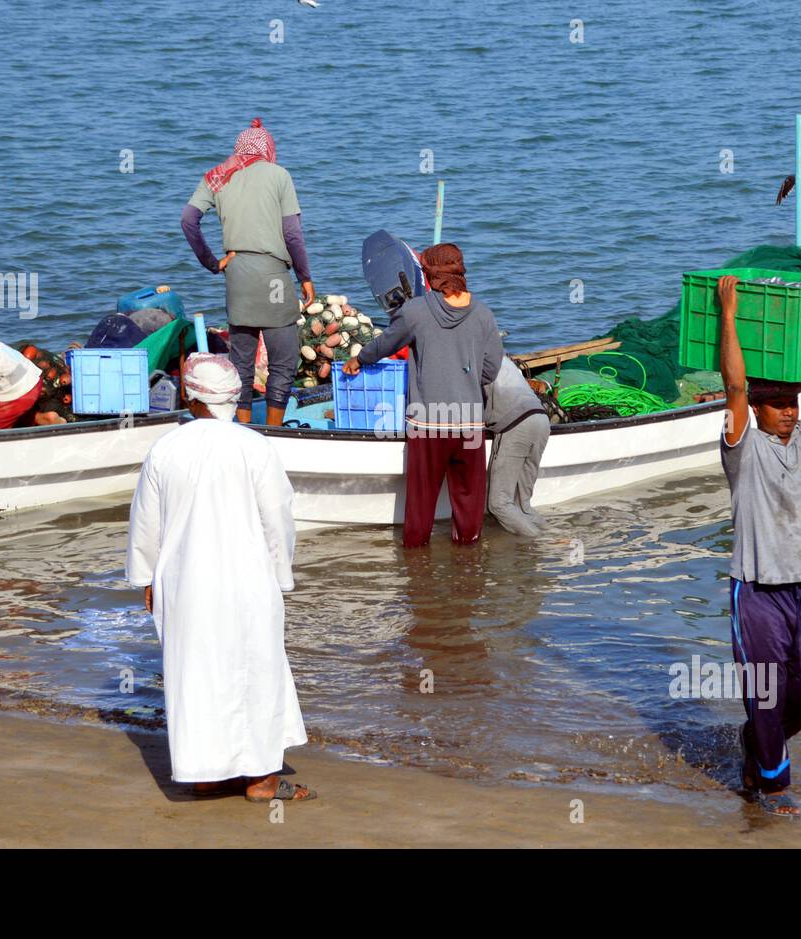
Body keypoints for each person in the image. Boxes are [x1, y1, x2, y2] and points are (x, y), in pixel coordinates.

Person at [125, 353, 314, 802]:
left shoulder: (166, 448)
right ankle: (262, 781)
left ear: (191, 399)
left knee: (197, 673)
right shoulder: (254, 446)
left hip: (184, 581)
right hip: (246, 579)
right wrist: (281, 576)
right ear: (233, 398)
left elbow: (144, 524)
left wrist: (146, 577)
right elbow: (277, 520)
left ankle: (205, 774)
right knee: (255, 670)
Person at [717, 274, 801, 817]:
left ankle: (757, 744)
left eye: (794, 403)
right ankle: (775, 787)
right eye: (778, 404)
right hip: (755, 592)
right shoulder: (742, 447)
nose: (790, 411)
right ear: (757, 408)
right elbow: (734, 385)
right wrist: (729, 313)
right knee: (766, 694)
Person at [345, 243, 504, 548]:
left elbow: (386, 344)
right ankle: (468, 571)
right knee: (470, 506)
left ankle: (417, 576)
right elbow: (491, 369)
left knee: (420, 505)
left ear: (429, 275)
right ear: (460, 272)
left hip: (427, 426)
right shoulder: (483, 315)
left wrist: (360, 359)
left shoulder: (415, 311)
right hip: (468, 425)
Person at [181, 117, 315, 427]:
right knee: (283, 360)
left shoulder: (216, 175)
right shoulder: (279, 175)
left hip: (237, 275)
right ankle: (273, 430)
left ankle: (240, 429)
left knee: (241, 362)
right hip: (273, 278)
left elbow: (188, 220)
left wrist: (212, 262)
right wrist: (304, 276)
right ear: (267, 150)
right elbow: (292, 234)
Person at [484, 357, 550, 536]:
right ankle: (552, 535)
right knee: (523, 505)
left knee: (499, 504)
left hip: (516, 425)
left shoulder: (473, 358)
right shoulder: (504, 359)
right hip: (541, 419)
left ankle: (540, 542)